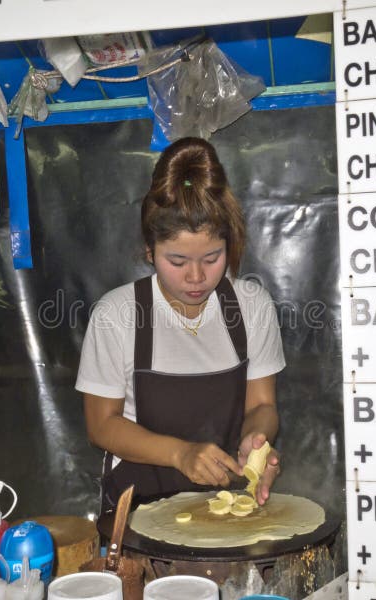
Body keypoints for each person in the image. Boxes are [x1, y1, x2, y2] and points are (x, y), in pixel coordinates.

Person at [76, 137, 285, 512]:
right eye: (177, 260)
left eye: (212, 258)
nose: (196, 277)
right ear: (149, 251)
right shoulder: (117, 315)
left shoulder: (252, 306)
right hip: (138, 511)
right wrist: (180, 453)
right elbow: (102, 425)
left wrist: (256, 439)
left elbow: (263, 404)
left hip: (225, 506)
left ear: (229, 245)